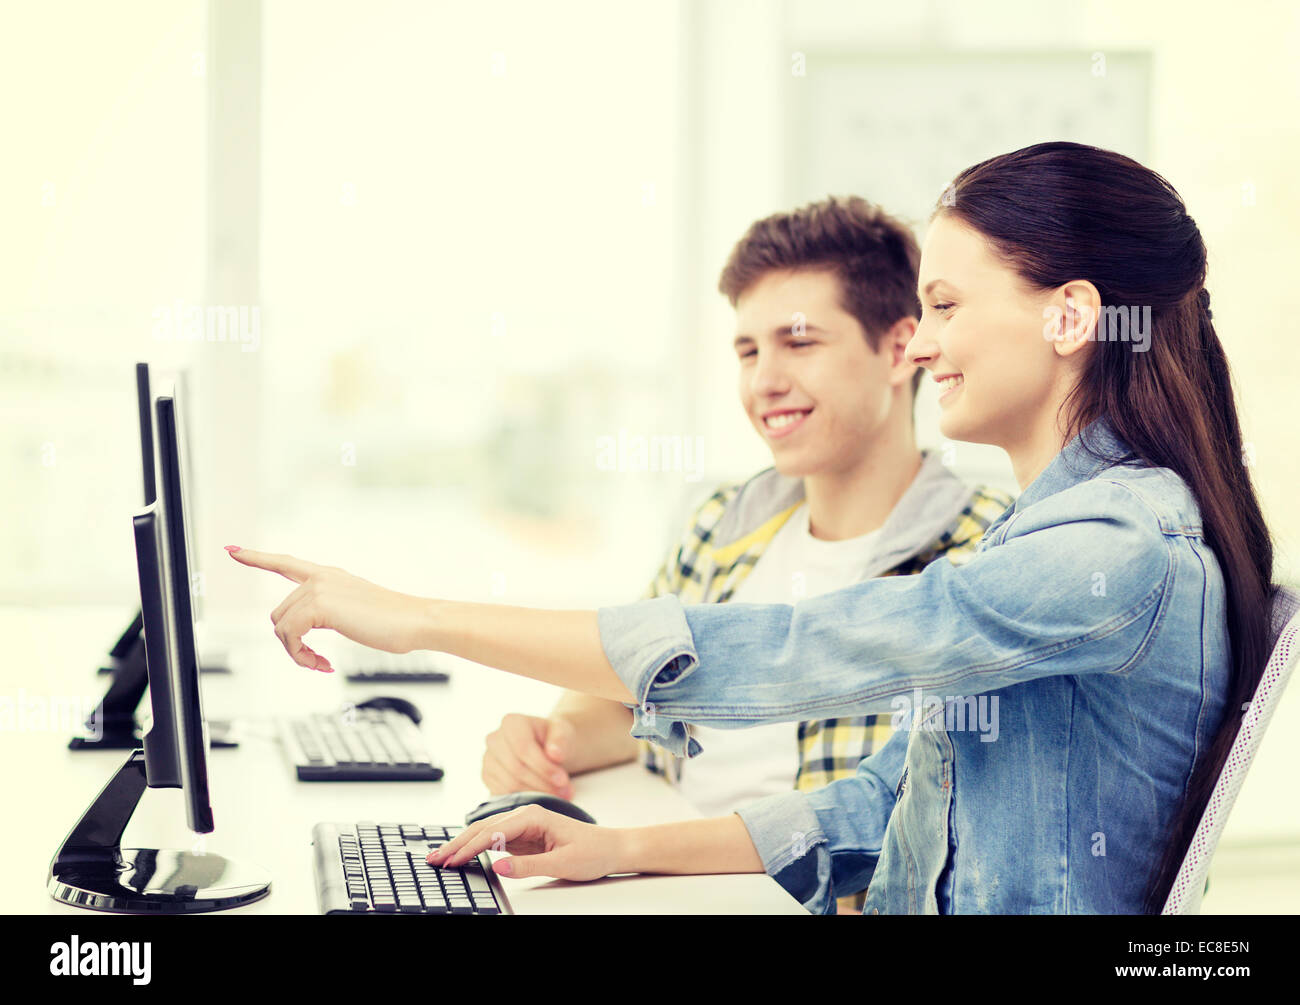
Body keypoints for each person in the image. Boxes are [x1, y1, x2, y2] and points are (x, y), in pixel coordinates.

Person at [227, 141, 1276, 914]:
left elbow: (798, 647)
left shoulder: (1112, 551)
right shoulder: (1063, 530)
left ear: (1068, 317)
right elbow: (886, 802)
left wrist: (413, 617)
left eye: (948, 308)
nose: (927, 345)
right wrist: (618, 854)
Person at [477, 196, 1009, 916]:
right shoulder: (725, 521)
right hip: (664, 879)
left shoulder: (984, 551)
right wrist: (556, 740)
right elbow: (624, 693)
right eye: (748, 350)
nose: (764, 381)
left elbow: (910, 824)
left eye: (799, 343)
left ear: (898, 347)